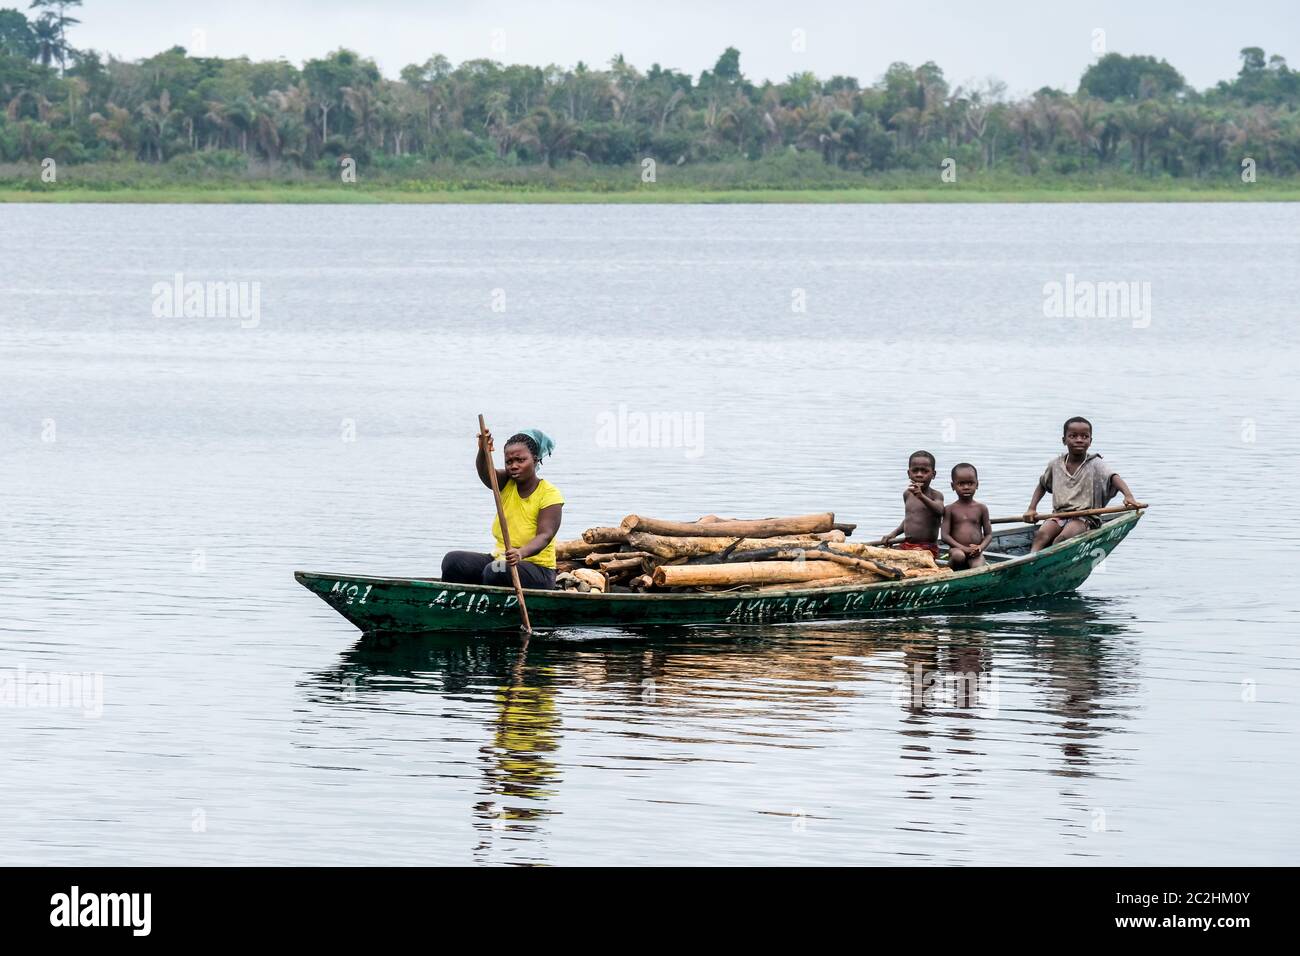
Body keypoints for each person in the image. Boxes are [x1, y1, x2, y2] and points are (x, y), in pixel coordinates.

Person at [441, 428, 564, 588]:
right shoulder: (506, 482)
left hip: (538, 569)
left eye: (520, 460)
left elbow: (545, 536)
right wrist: (483, 451)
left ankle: (491, 607)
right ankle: (457, 607)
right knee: (453, 561)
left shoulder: (549, 493)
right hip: (500, 560)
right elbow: (486, 473)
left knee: (495, 570)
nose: (514, 466)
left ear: (534, 460)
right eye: (509, 462)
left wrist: (521, 553)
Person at [1024, 416, 1143, 553]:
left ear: (1090, 441)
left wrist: (1128, 496)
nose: (1079, 440)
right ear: (1064, 440)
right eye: (1073, 436)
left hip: (1085, 518)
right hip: (1059, 515)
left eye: (1084, 436)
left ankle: (1049, 562)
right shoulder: (1055, 464)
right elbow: (1042, 485)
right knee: (1040, 536)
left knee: (1061, 540)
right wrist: (1031, 508)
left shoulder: (1095, 464)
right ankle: (1031, 560)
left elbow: (1113, 477)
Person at [880, 450, 944, 557]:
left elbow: (940, 511)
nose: (919, 474)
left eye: (924, 471)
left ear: (933, 474)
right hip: (907, 545)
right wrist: (893, 534)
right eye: (915, 471)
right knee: (883, 555)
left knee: (914, 557)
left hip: (927, 548)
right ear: (909, 474)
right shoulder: (907, 494)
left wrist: (922, 497)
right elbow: (910, 518)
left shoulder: (936, 495)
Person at [942, 463, 992, 570]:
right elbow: (945, 536)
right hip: (957, 550)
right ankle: (947, 571)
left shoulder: (981, 508)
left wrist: (980, 548)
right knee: (958, 556)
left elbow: (988, 535)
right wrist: (964, 548)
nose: (966, 487)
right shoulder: (949, 509)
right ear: (953, 486)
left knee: (978, 567)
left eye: (970, 483)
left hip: (975, 553)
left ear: (977, 484)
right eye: (961, 484)